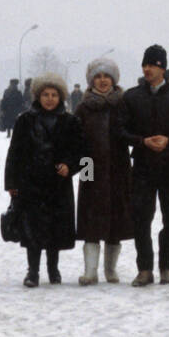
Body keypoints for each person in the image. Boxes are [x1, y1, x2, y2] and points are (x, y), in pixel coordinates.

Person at [118, 44, 169, 286]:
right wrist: (141, 142)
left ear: (163, 68)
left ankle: (166, 266)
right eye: (145, 65)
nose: (147, 69)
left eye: (152, 65)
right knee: (141, 219)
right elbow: (120, 131)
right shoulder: (132, 97)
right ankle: (144, 269)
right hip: (142, 167)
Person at [4, 74, 81, 287]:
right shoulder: (25, 120)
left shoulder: (70, 121)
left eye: (54, 95)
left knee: (56, 228)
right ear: (38, 96)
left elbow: (82, 153)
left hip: (58, 183)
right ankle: (33, 271)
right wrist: (11, 183)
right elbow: (14, 153)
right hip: (31, 183)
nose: (49, 99)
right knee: (32, 229)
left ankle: (53, 269)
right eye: (45, 94)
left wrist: (70, 166)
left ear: (61, 97)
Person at [74, 58, 132, 284]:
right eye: (97, 77)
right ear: (91, 81)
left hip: (119, 167)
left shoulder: (123, 105)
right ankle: (90, 271)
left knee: (116, 219)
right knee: (91, 218)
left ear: (114, 79)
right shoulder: (83, 107)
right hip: (89, 166)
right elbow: (75, 139)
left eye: (106, 76)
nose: (102, 80)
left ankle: (110, 269)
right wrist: (81, 167)